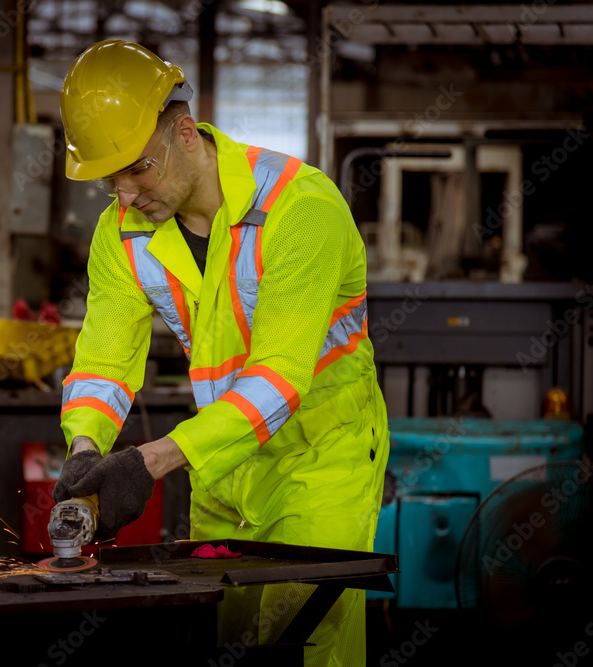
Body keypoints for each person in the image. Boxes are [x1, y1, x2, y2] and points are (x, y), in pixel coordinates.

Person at [52, 39, 390, 666]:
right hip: (220, 469)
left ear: (186, 134)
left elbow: (279, 379)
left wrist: (148, 463)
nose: (124, 195)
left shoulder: (300, 208)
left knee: (303, 640)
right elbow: (103, 357)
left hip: (318, 459)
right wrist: (86, 450)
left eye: (137, 169)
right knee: (225, 643)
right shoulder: (123, 231)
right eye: (109, 179)